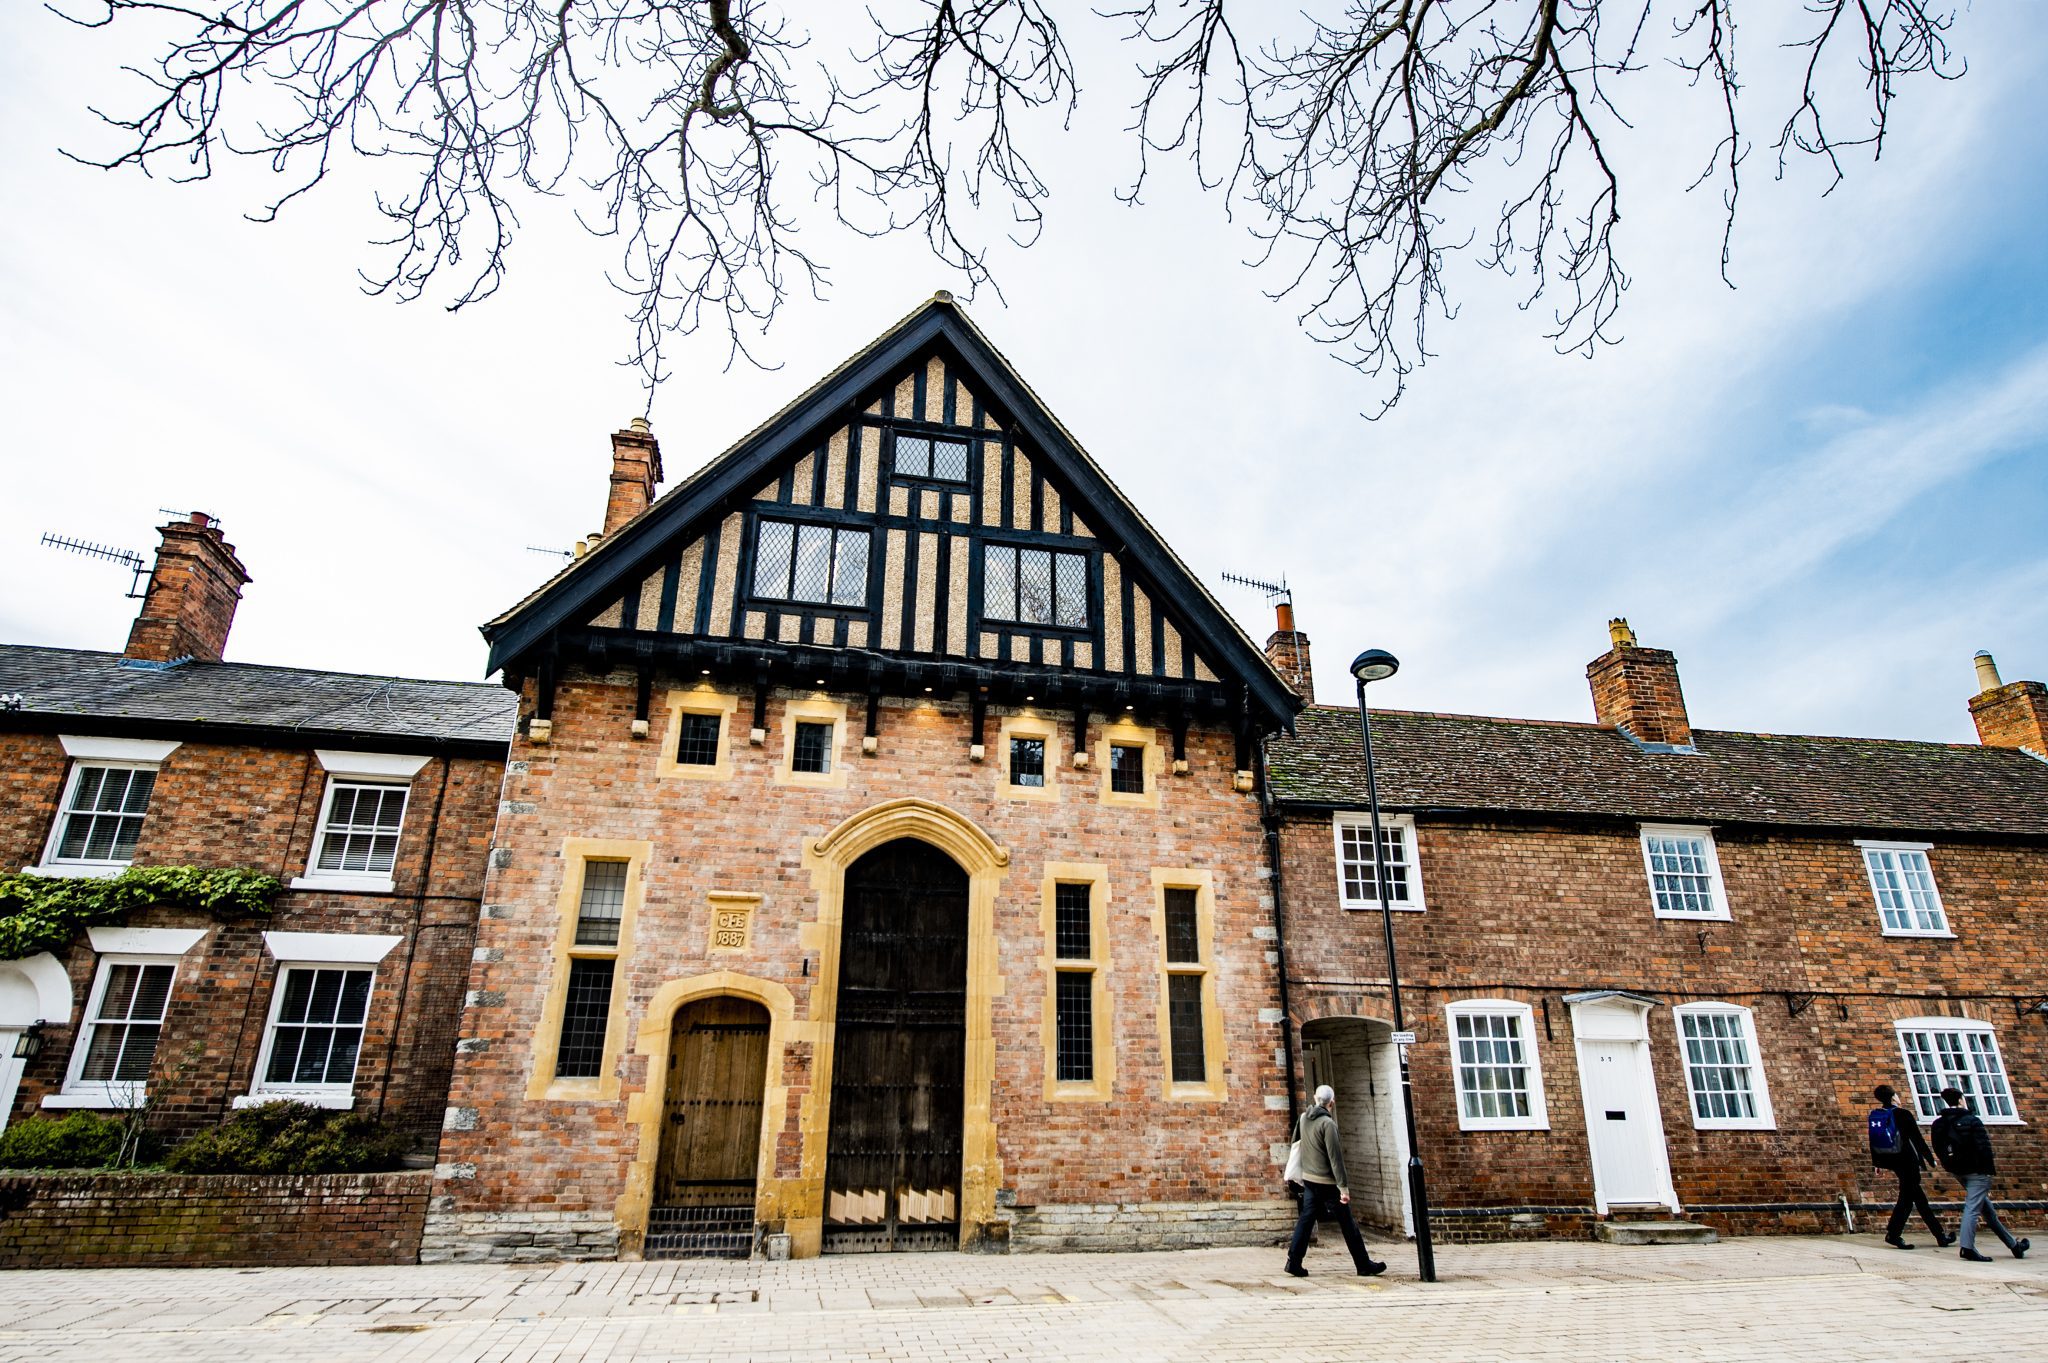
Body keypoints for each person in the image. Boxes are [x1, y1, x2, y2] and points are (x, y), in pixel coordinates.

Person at [1283, 1084, 1387, 1278]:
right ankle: (1363, 1264)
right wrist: (1343, 1188)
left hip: (1309, 1179)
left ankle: (1293, 1262)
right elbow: (1335, 1159)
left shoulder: (1304, 1118)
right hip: (1327, 1182)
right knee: (1348, 1223)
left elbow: (1295, 1143)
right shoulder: (1328, 1124)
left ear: (1315, 1098)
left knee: (1306, 1220)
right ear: (1332, 1102)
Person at [1931, 1085, 2031, 1262]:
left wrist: (1949, 1166)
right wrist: (1988, 1171)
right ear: (1961, 1100)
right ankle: (1967, 1248)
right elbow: (1984, 1147)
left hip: (1958, 1171)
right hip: (1977, 1172)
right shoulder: (1972, 1120)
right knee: (1972, 1209)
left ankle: (2014, 1246)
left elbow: (1938, 1148)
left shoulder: (1939, 1123)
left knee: (1987, 1211)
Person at [1868, 1084, 1951, 1250]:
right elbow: (1917, 1138)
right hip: (1908, 1160)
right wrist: (1930, 1159)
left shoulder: (1877, 1115)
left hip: (1893, 1161)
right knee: (1907, 1199)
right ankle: (1893, 1234)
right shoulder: (1902, 1114)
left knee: (1918, 1198)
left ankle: (1940, 1236)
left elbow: (1874, 1139)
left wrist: (1877, 1163)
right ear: (1893, 1097)